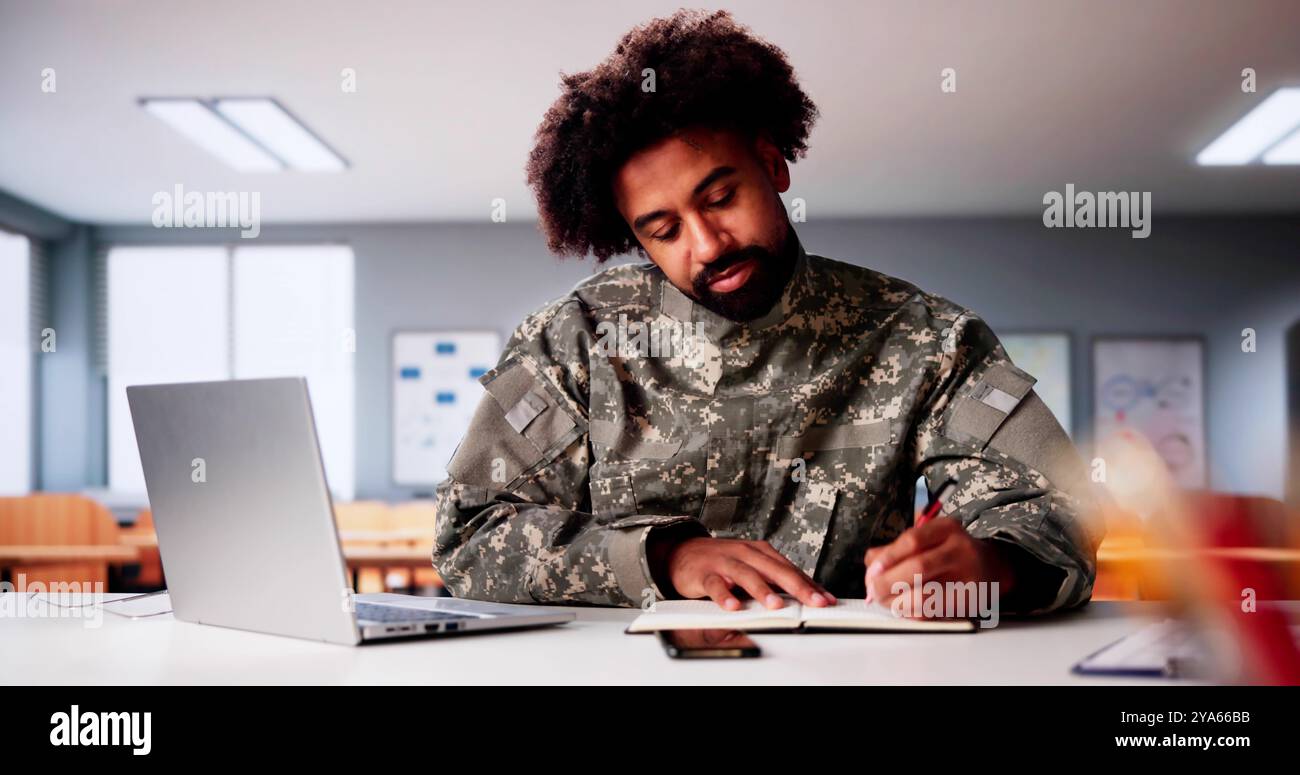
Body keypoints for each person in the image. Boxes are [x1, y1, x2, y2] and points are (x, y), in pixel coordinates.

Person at [432, 10, 1103, 615]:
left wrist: (994, 566)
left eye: (721, 196)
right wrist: (664, 558)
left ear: (772, 164)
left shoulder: (926, 340)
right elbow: (469, 533)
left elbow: (1057, 510)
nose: (708, 243)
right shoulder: (572, 344)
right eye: (663, 230)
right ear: (634, 240)